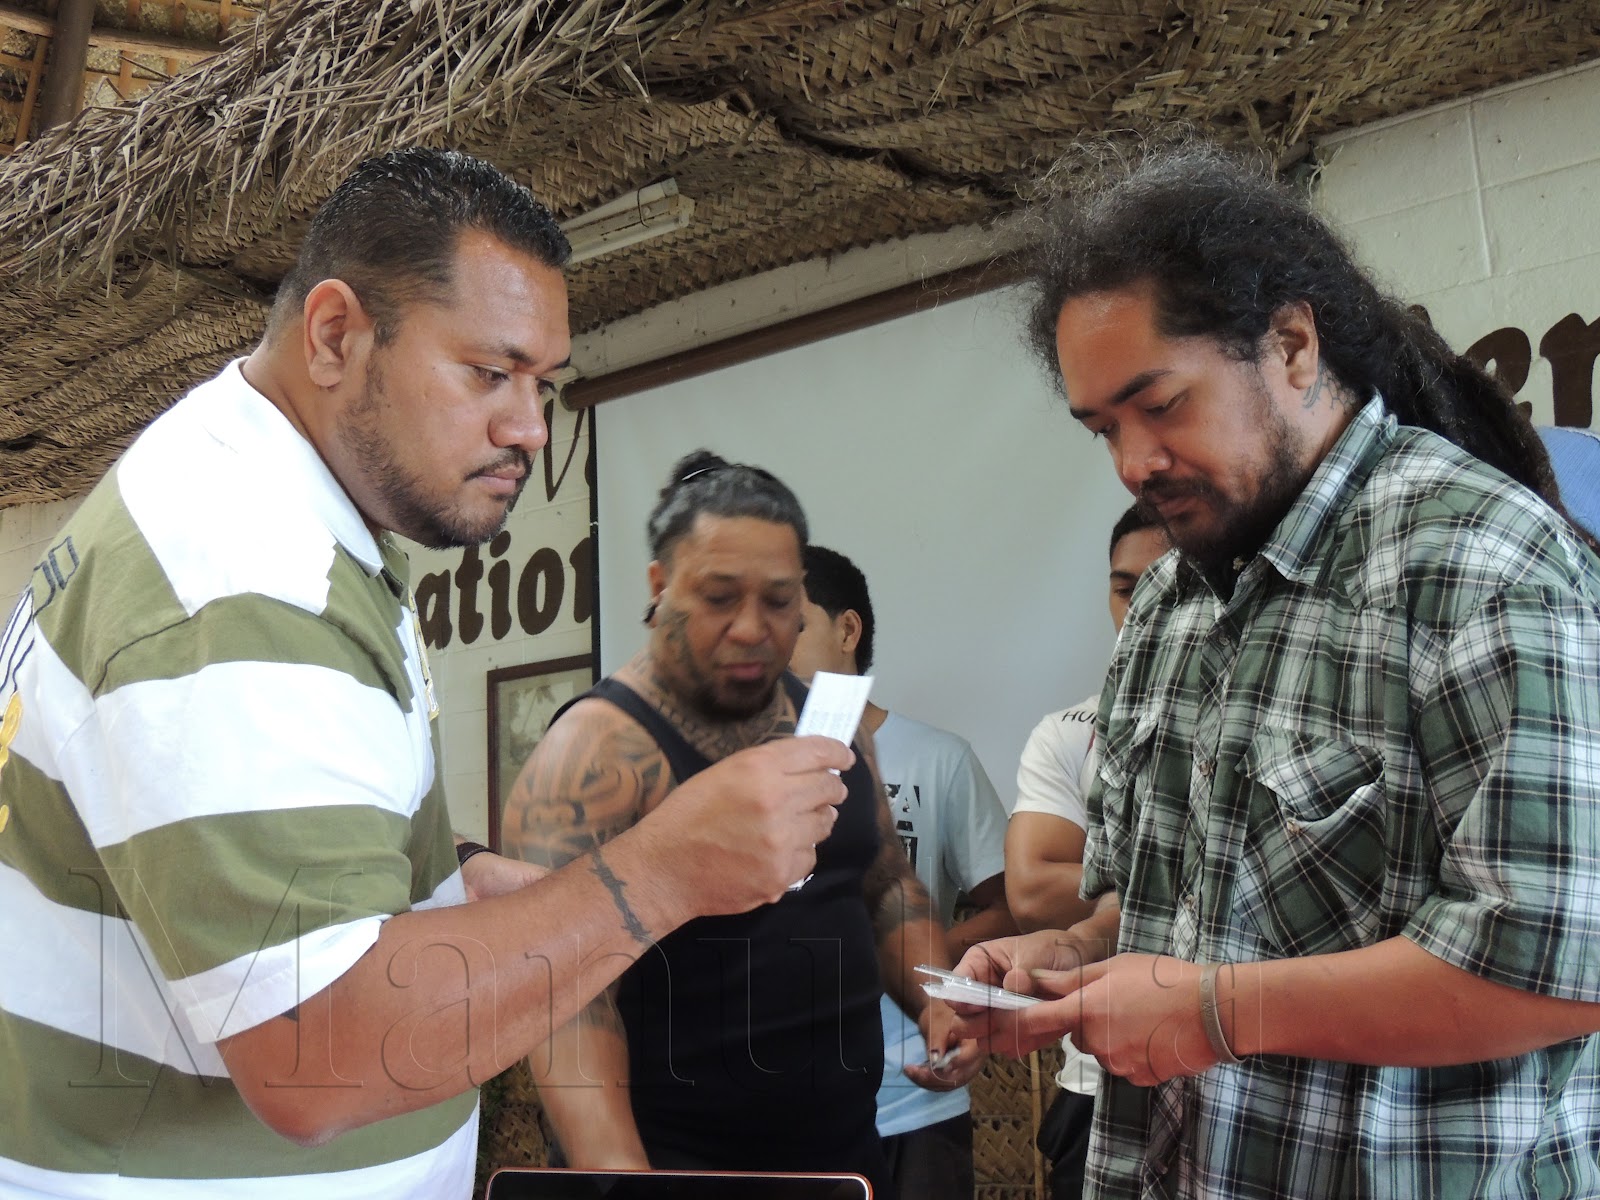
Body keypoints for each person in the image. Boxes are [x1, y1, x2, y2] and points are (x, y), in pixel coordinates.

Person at [0, 149, 852, 1200]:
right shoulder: (244, 578)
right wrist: (661, 873)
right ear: (334, 335)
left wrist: (440, 874)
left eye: (544, 383)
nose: (529, 427)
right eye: (489, 373)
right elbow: (320, 1056)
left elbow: (216, 830)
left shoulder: (279, 506)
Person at [953, 137, 1600, 1200]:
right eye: (1101, 428)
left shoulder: (1475, 563)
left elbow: (1560, 965)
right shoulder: (1168, 607)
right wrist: (1063, 960)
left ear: (1292, 346)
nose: (1130, 464)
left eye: (1160, 406)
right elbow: (1156, 905)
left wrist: (1215, 1011)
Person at [500, 453, 985, 1192]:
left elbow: (885, 882)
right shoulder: (597, 749)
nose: (752, 628)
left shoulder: (836, 727)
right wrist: (625, 1178)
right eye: (721, 596)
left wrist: (934, 999)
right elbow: (561, 994)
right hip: (680, 1172)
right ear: (662, 590)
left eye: (779, 600)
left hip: (847, 1162)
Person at [788, 543, 1013, 1200]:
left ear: (847, 629)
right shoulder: (747, 771)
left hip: (917, 1093)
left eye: (792, 623)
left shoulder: (938, 758)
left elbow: (1009, 905)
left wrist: (930, 961)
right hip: (793, 1104)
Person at [1003, 504, 1167, 1200]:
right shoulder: (1075, 731)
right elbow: (1032, 890)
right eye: (1125, 587)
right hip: (1096, 1083)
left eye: (1165, 582)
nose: (1141, 608)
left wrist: (1117, 890)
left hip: (1240, 1081)